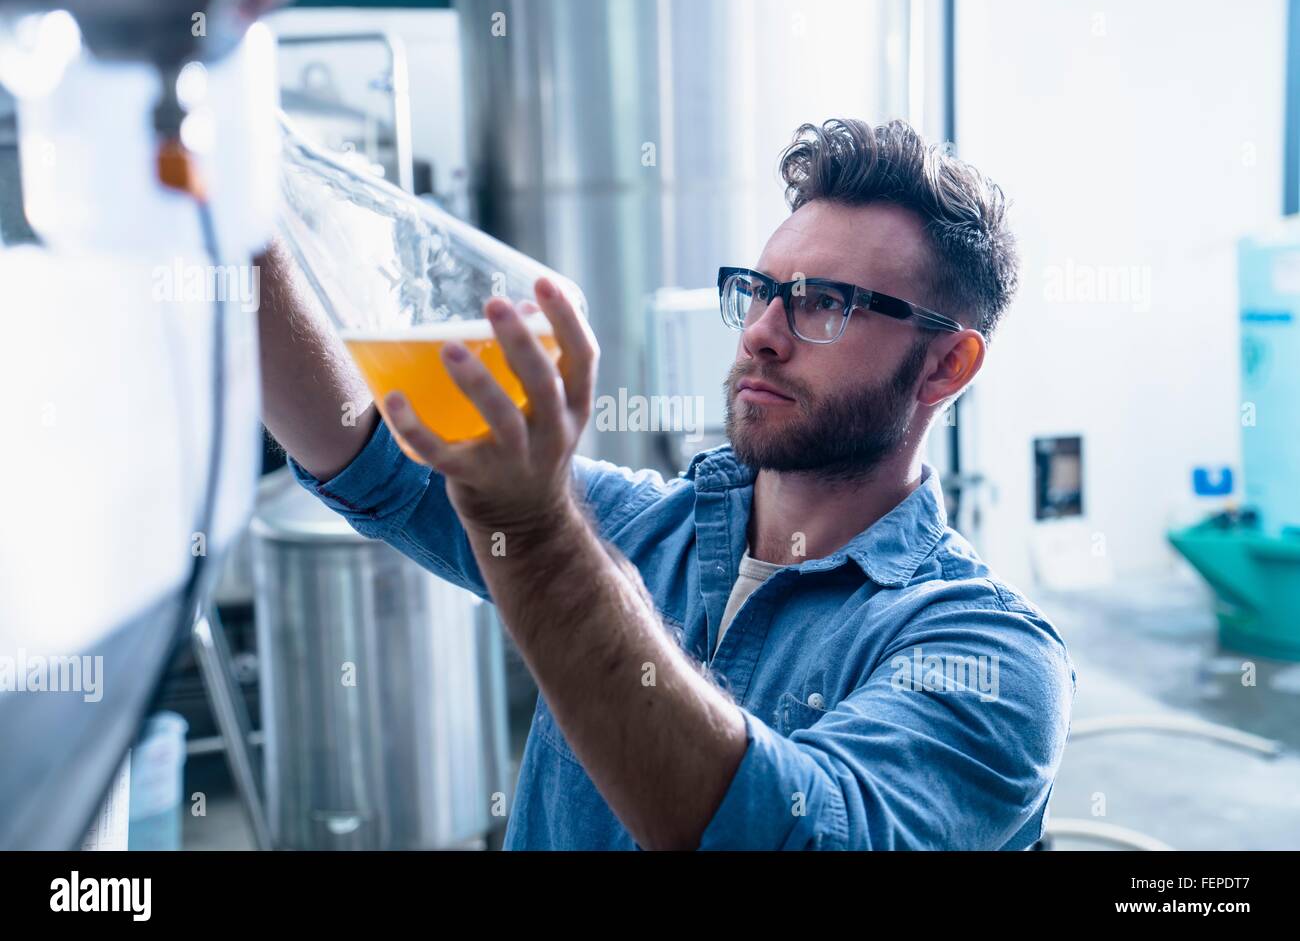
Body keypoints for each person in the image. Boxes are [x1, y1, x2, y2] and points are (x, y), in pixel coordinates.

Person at [257, 117, 1075, 850]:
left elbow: (796, 837)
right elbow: (361, 449)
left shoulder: (987, 652)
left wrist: (537, 529)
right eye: (759, 293)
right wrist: (240, 222)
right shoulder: (638, 528)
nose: (760, 334)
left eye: (824, 304)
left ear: (944, 364)